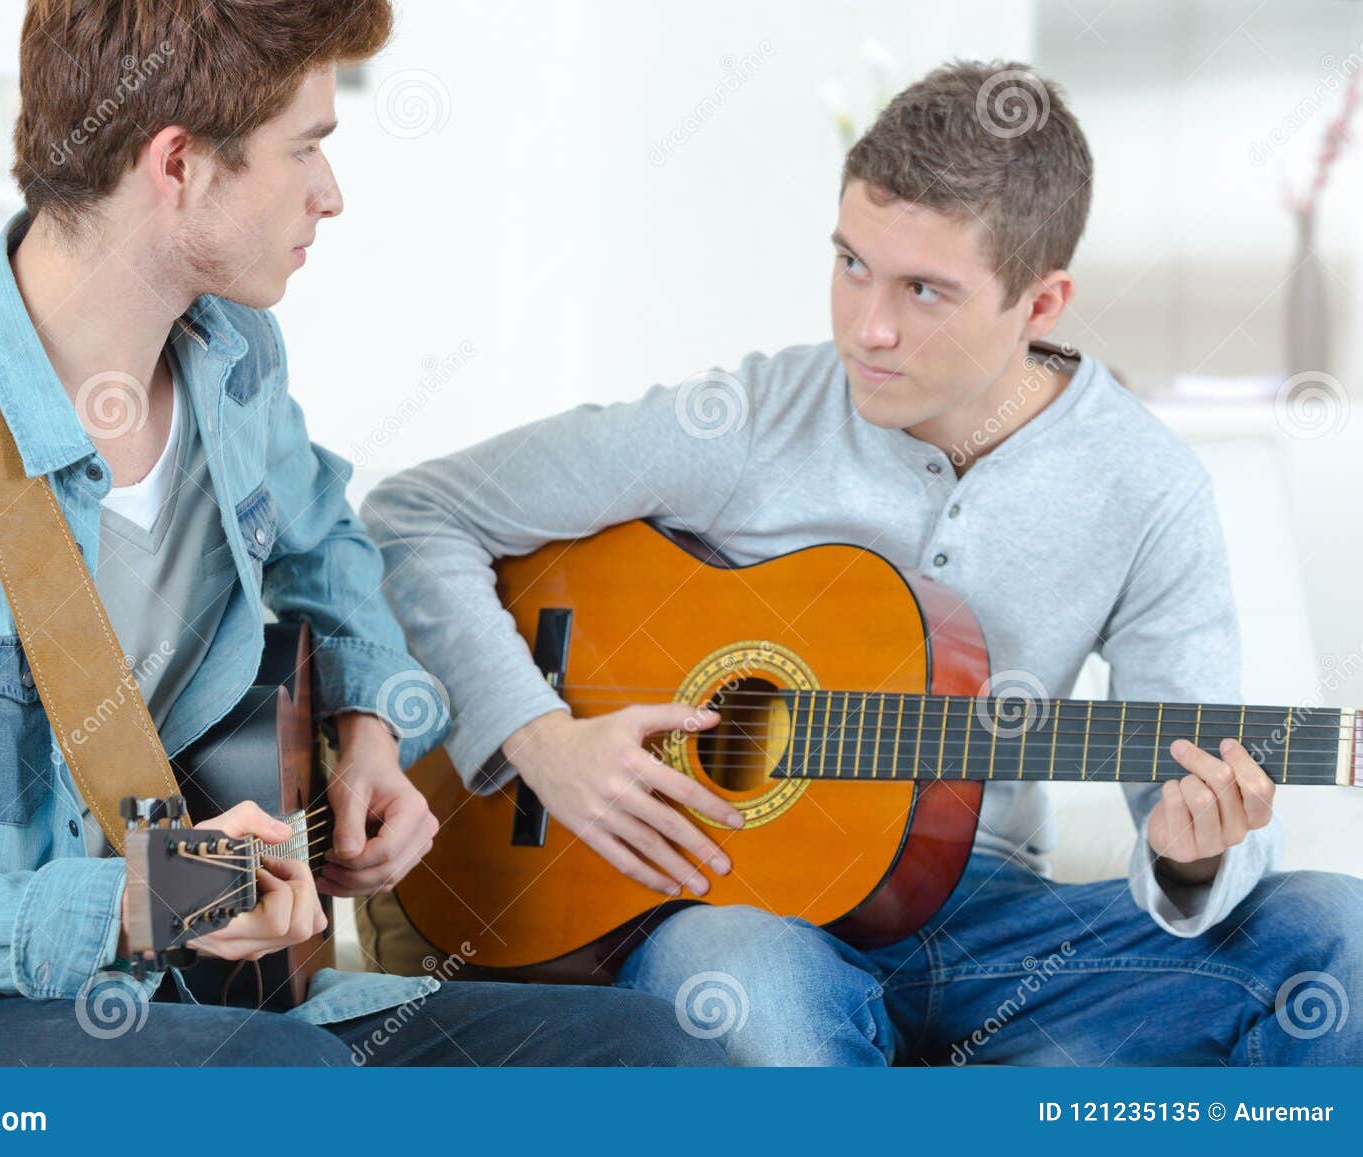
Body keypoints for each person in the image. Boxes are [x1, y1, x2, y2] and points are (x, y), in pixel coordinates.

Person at [0, 0, 721, 1069]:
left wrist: (368, 726)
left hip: (216, 996)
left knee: (649, 1051)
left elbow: (330, 545)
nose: (331, 194)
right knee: (278, 1081)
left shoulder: (234, 358)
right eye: (306, 147)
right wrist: (141, 900)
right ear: (178, 165)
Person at [361, 60, 1363, 1066]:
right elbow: (417, 511)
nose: (866, 327)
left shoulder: (1147, 485)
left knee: (1336, 933)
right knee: (745, 986)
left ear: (1042, 301)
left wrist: (1197, 851)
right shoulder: (745, 419)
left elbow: (1185, 793)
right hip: (742, 914)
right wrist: (540, 738)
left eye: (922, 289)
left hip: (990, 921)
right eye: (850, 264)